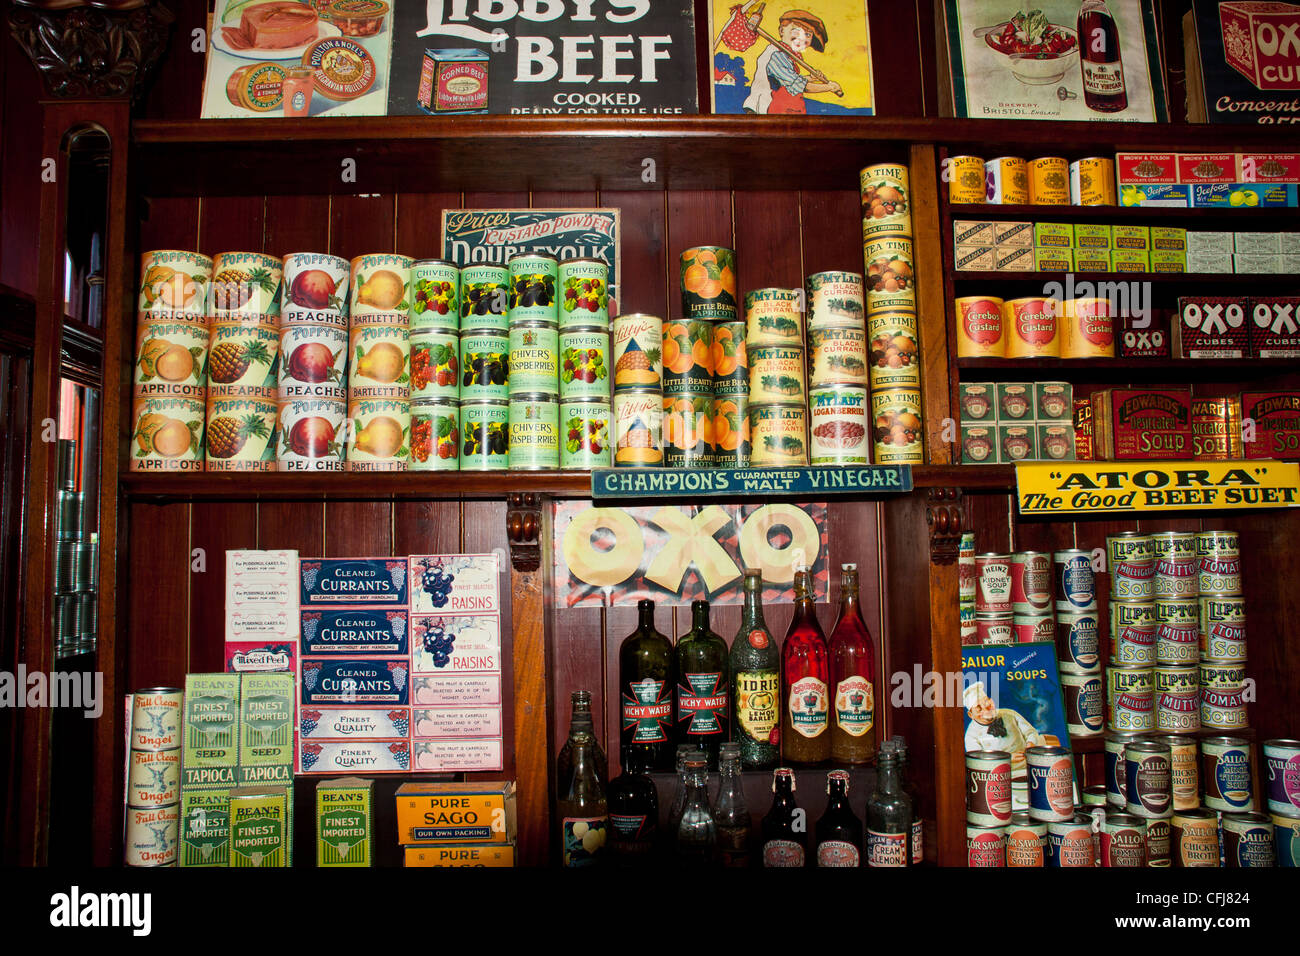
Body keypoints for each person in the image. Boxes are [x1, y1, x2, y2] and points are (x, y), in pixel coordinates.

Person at [742, 9, 842, 114]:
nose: (802, 37)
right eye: (796, 31)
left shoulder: (788, 55)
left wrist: (810, 78)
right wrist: (830, 87)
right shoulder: (776, 55)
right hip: (767, 111)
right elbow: (798, 85)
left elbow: (786, 80)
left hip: (783, 111)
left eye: (808, 35)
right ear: (781, 31)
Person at [963, 681, 1057, 773]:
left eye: (987, 701)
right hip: (999, 775)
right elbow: (979, 763)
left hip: (1027, 766)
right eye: (979, 708)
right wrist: (1008, 759)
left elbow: (1030, 732)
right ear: (971, 715)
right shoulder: (971, 736)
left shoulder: (1010, 714)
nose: (986, 708)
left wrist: (1030, 744)